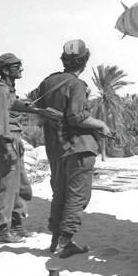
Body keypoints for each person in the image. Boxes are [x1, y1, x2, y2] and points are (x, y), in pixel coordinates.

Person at [30, 40, 111, 258]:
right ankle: (65, 242)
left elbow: (34, 107)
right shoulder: (77, 85)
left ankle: (57, 239)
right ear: (84, 62)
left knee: (60, 194)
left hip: (56, 149)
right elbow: (76, 116)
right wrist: (101, 124)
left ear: (63, 60)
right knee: (78, 197)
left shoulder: (47, 82)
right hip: (78, 148)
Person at [0, 52, 41, 244]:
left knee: (19, 186)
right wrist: (7, 146)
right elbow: (0, 122)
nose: (21, 69)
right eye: (17, 67)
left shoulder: (8, 90)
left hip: (14, 142)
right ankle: (2, 231)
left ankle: (16, 226)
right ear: (6, 70)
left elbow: (11, 106)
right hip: (6, 143)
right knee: (7, 187)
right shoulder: (0, 90)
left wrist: (27, 106)